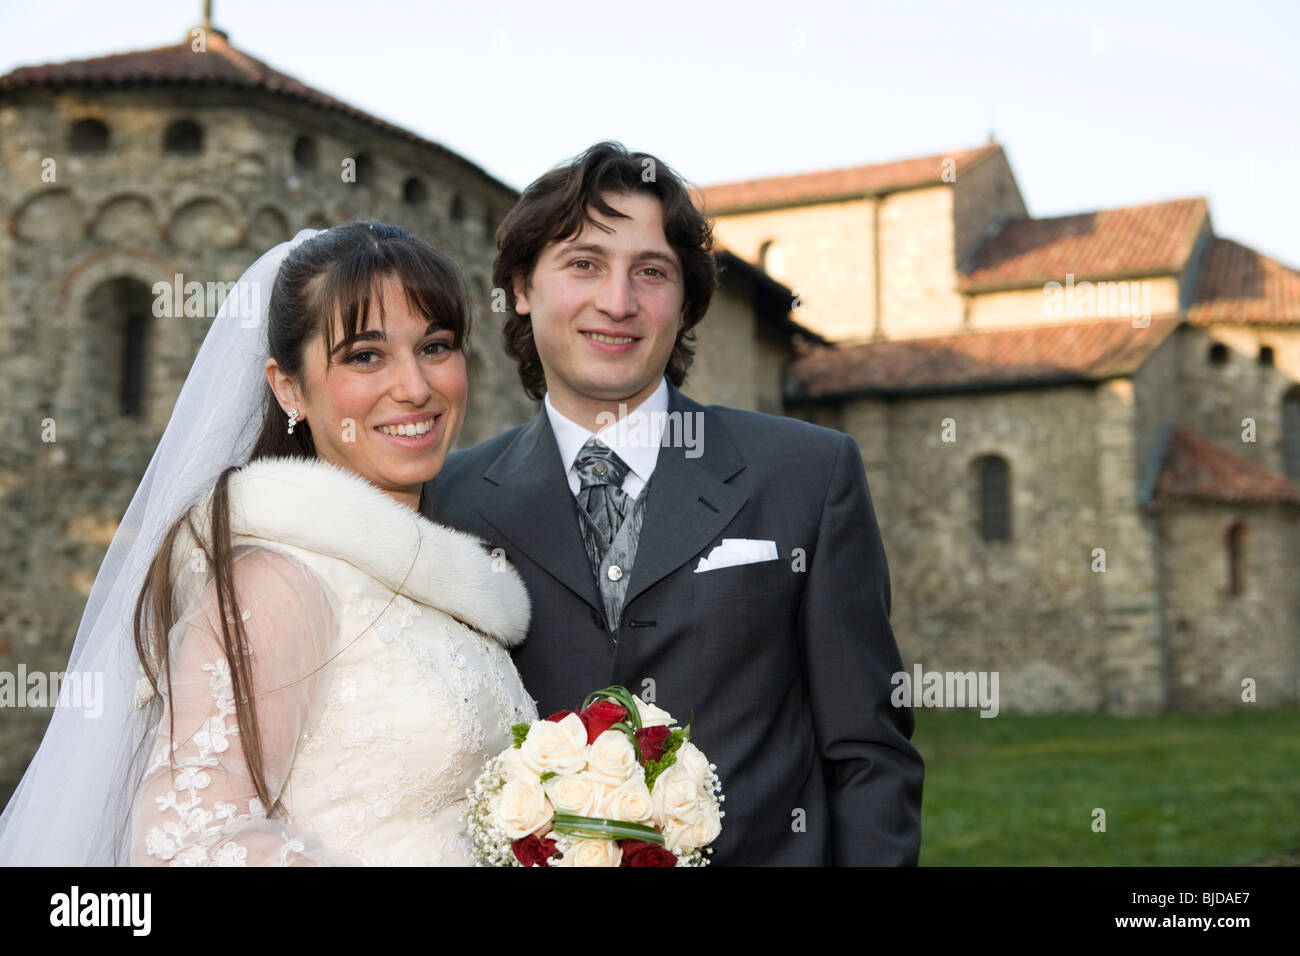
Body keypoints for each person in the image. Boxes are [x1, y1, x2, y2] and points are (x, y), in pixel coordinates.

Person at [429, 142, 925, 866]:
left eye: (651, 272)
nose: (618, 302)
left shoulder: (809, 475)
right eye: (584, 264)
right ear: (521, 287)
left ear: (685, 300)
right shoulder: (448, 502)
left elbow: (868, 753)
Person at [0, 222, 536, 866]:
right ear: (288, 388)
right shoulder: (275, 578)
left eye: (436, 346)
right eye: (366, 356)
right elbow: (188, 846)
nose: (416, 387)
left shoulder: (443, 584)